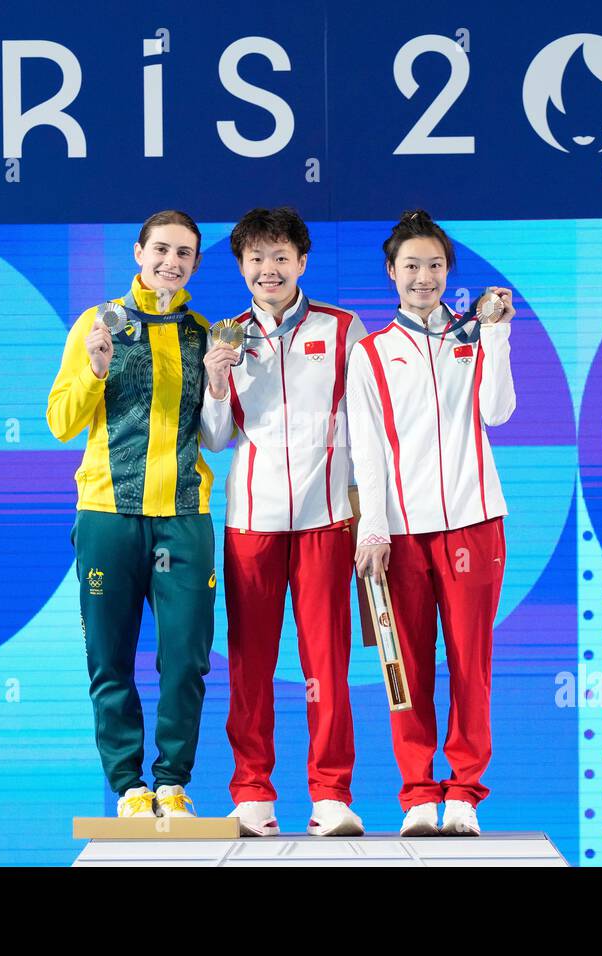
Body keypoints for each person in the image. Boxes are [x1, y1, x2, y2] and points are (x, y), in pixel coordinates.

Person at [47, 209, 224, 821]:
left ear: (196, 265)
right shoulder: (97, 324)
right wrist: (95, 369)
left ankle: (172, 783)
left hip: (182, 516)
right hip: (106, 515)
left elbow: (217, 432)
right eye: (162, 250)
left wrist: (223, 385)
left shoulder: (205, 335)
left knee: (186, 658)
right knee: (109, 658)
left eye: (184, 254)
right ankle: (128, 787)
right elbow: (61, 422)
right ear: (137, 253)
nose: (171, 262)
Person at [345, 209, 516, 837]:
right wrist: (373, 530)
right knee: (403, 665)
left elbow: (497, 413)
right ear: (392, 272)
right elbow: (368, 448)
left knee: (472, 661)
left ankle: (465, 793)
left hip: (474, 523)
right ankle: (418, 793)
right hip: (399, 533)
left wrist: (496, 337)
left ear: (450, 272)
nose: (424, 277)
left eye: (436, 266)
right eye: (412, 266)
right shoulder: (370, 353)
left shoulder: (472, 336)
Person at [199, 207, 368, 836]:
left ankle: (330, 795)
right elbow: (216, 440)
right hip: (252, 519)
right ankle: (253, 795)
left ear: (301, 262)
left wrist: (366, 513)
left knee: (328, 662)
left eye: (280, 258)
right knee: (250, 663)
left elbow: (368, 428)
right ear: (242, 267)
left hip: (327, 518)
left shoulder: (344, 329)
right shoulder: (226, 336)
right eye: (256, 260)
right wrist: (216, 383)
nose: (268, 270)